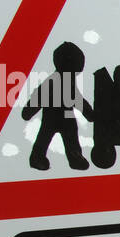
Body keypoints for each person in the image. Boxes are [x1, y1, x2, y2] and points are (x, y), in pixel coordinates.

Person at [22, 41, 91, 171]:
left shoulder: (66, 80)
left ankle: (74, 156)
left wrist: (89, 113)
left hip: (61, 116)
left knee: (68, 137)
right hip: (53, 116)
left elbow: (76, 98)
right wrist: (28, 111)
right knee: (45, 137)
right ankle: (39, 157)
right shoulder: (55, 80)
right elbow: (42, 95)